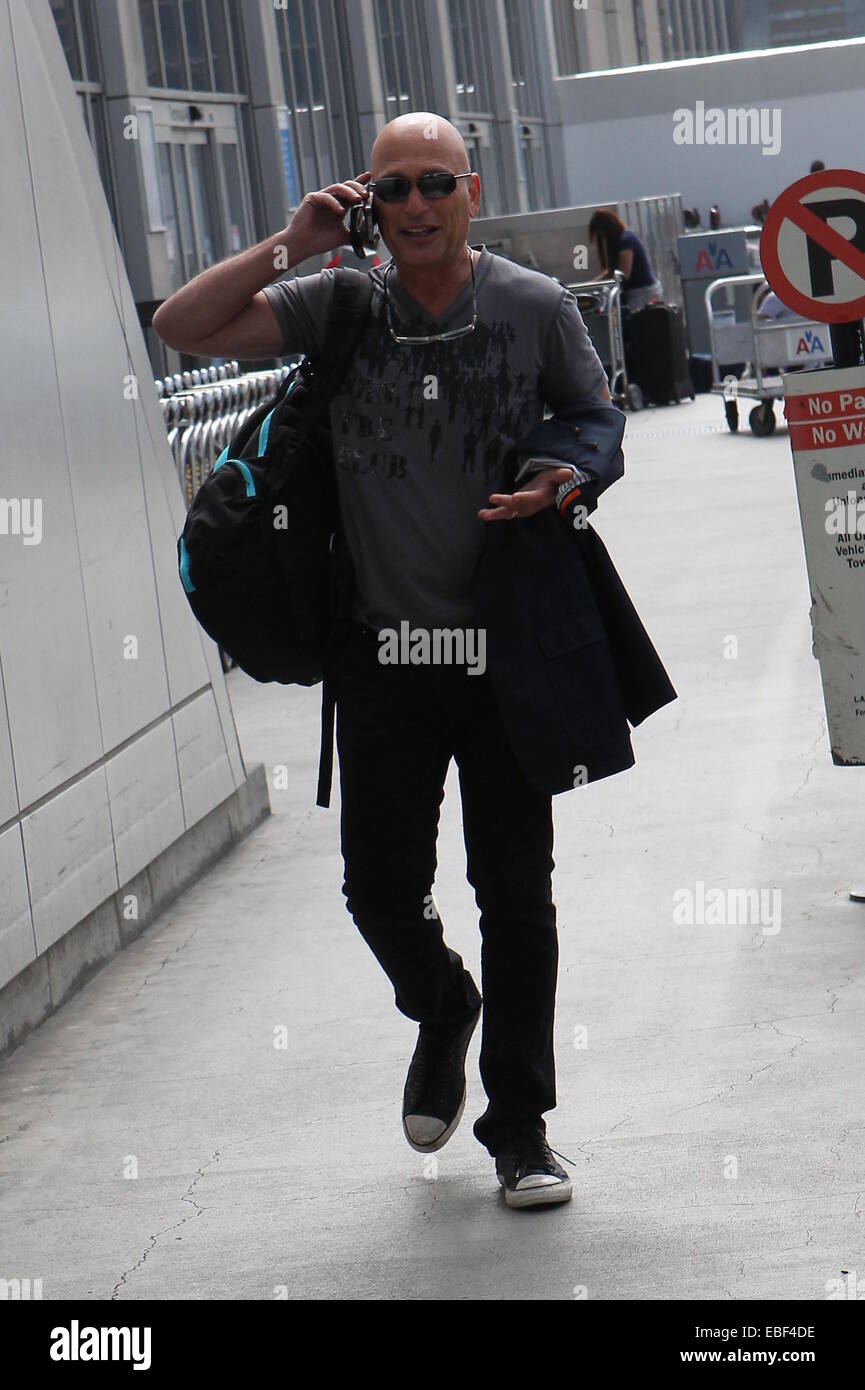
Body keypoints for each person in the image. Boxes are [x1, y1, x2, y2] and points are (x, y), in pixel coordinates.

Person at [153, 111, 614, 1211]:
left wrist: (568, 471)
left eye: (434, 186)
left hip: (506, 654)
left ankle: (521, 1131)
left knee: (518, 898)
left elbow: (596, 418)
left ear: (471, 191)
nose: (413, 207)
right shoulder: (339, 301)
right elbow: (183, 326)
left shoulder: (532, 306)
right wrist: (294, 239)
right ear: (370, 196)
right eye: (392, 187)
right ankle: (443, 1004)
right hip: (384, 657)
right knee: (376, 892)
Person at [587, 208, 662, 310]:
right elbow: (611, 272)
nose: (603, 238)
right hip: (637, 291)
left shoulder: (626, 240)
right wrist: (591, 285)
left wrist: (600, 285)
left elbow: (624, 274)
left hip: (642, 292)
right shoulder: (623, 239)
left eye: (603, 234)